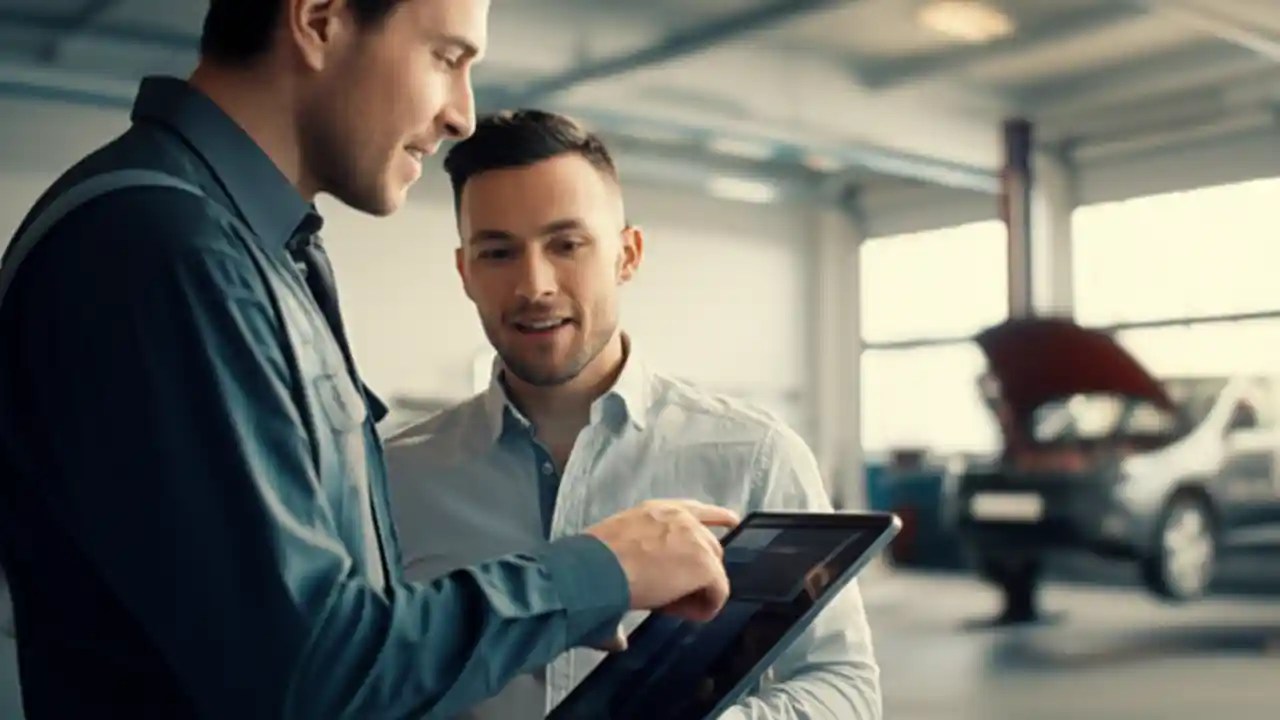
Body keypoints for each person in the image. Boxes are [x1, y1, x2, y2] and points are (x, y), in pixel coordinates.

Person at [0, 1, 740, 718]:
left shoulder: (250, 252)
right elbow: (312, 676)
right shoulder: (162, 251)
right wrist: (597, 571)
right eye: (447, 57)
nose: (462, 114)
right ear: (320, 20)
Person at [385, 109, 883, 719]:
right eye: (498, 253)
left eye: (566, 245)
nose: (534, 284)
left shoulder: (753, 457)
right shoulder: (397, 476)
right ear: (465, 272)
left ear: (627, 255)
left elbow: (842, 684)